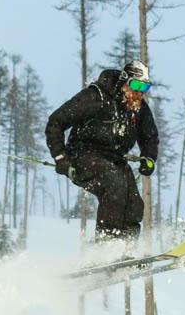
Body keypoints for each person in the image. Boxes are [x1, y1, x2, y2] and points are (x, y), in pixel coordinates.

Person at [45, 60, 159, 241]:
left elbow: (150, 136)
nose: (139, 92)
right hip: (82, 155)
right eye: (136, 85)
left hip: (114, 159)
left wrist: (149, 158)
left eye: (144, 88)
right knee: (115, 183)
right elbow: (56, 122)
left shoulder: (139, 108)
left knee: (134, 203)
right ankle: (106, 246)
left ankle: (126, 249)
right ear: (124, 81)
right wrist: (61, 158)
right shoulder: (96, 97)